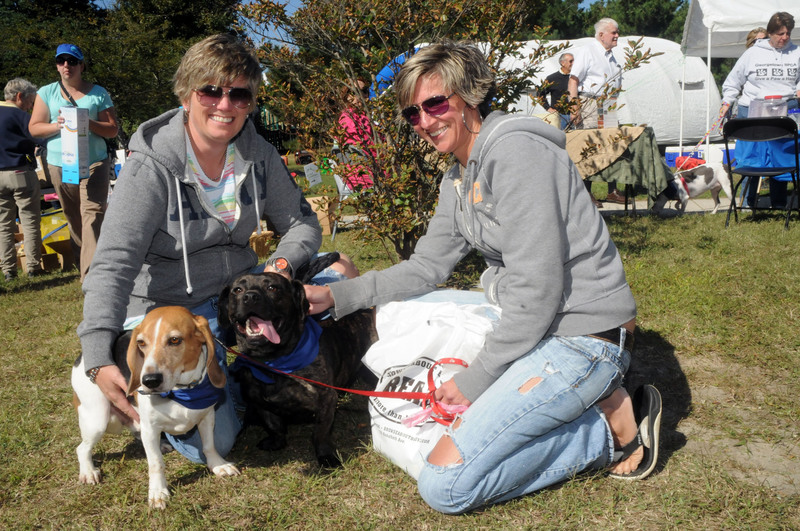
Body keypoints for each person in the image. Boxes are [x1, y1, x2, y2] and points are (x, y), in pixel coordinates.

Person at [304, 41, 662, 514]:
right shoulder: (457, 175)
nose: (425, 121)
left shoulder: (516, 153)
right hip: (535, 331)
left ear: (469, 97)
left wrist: (476, 380)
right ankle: (587, 402)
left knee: (446, 485)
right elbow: (426, 267)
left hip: (584, 338)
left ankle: (611, 431)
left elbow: (537, 289)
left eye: (435, 104)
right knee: (461, 443)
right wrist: (336, 297)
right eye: (412, 113)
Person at [76, 34, 359, 464]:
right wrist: (98, 356)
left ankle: (254, 373)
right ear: (186, 95)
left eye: (239, 94)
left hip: (237, 293)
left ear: (250, 103)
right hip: (174, 306)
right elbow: (113, 264)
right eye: (210, 91)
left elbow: (302, 223)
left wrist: (281, 266)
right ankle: (207, 388)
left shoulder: (258, 154)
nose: (225, 105)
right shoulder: (149, 166)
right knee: (215, 442)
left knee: (343, 270)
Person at [29, 44, 118, 281]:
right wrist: (56, 125)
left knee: (93, 213)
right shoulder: (46, 92)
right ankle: (83, 261)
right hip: (61, 164)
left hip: (95, 162)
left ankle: (92, 275)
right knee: (73, 216)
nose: (67, 65)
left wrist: (89, 122)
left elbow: (112, 130)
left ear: (82, 65)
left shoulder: (99, 93)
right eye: (61, 61)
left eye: (72, 61)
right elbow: (34, 128)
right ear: (57, 66)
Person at [719, 12, 800, 209]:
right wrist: (726, 102)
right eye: (780, 33)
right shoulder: (752, 54)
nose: (785, 37)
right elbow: (733, 81)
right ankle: (747, 204)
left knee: (780, 157)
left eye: (788, 33)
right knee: (752, 158)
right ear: (770, 33)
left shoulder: (797, 52)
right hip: (753, 110)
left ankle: (779, 203)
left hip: (785, 109)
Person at [568, 18, 625, 205]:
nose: (617, 36)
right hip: (590, 102)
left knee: (611, 145)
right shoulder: (588, 51)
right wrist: (574, 107)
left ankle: (612, 190)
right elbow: (573, 80)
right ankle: (586, 193)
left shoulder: (612, 56)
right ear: (601, 35)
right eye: (613, 32)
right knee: (589, 147)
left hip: (609, 104)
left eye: (617, 32)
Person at [0, 78, 44, 281]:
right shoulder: (21, 116)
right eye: (30, 101)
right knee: (30, 220)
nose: (31, 106)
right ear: (19, 96)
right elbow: (39, 137)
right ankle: (33, 266)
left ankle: (8, 270)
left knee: (4, 225)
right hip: (20, 172)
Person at [336, 79, 377, 189]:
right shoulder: (349, 120)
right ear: (348, 96)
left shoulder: (363, 116)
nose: (365, 94)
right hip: (363, 176)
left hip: (367, 172)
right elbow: (365, 149)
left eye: (366, 90)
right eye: (359, 91)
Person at [541, 53, 574, 130]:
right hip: (560, 116)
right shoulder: (552, 78)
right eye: (571, 61)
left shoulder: (576, 77)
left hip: (576, 115)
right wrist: (548, 108)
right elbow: (540, 94)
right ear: (563, 63)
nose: (573, 63)